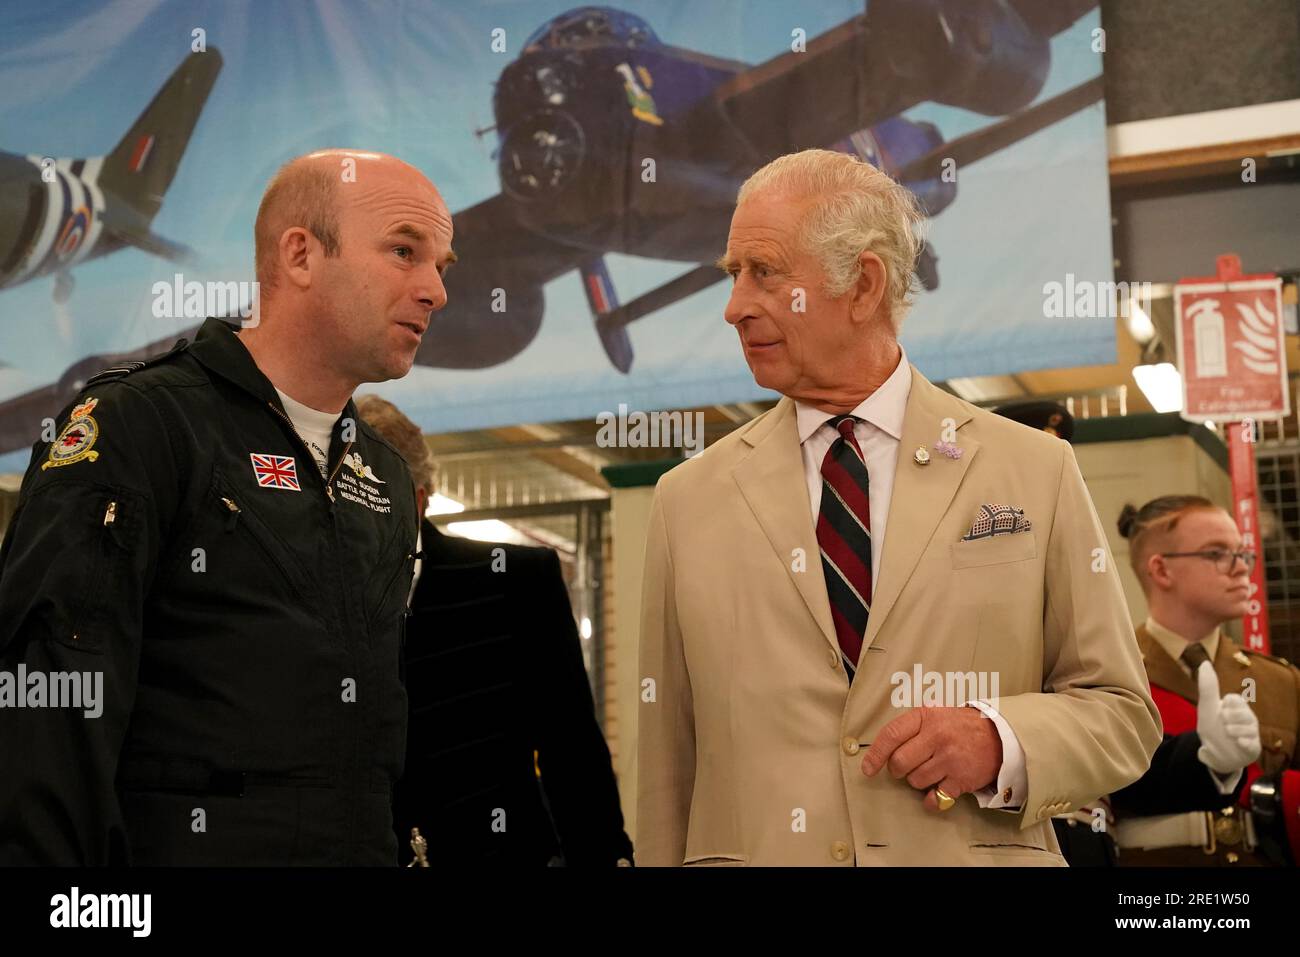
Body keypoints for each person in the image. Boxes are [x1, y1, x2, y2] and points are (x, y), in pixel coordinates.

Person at [637, 148, 1161, 866]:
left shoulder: (1035, 470)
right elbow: (668, 766)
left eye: (764, 272)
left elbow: (1122, 715)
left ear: (863, 284)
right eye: (733, 275)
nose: (734, 307)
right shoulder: (686, 501)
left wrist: (1000, 738)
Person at [0, 149, 453, 865]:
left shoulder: (385, 474)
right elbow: (46, 724)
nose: (435, 289)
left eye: (442, 266)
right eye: (405, 250)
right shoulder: (138, 426)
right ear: (301, 254)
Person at [354, 395, 634, 866]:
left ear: (420, 498)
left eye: (372, 494)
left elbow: (572, 749)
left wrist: (605, 857)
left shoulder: (515, 584)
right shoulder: (305, 600)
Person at [1110, 495, 1300, 866]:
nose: (1241, 568)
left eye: (1242, 553)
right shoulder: (1109, 673)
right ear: (1162, 571)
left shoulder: (1282, 682)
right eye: (1216, 554)